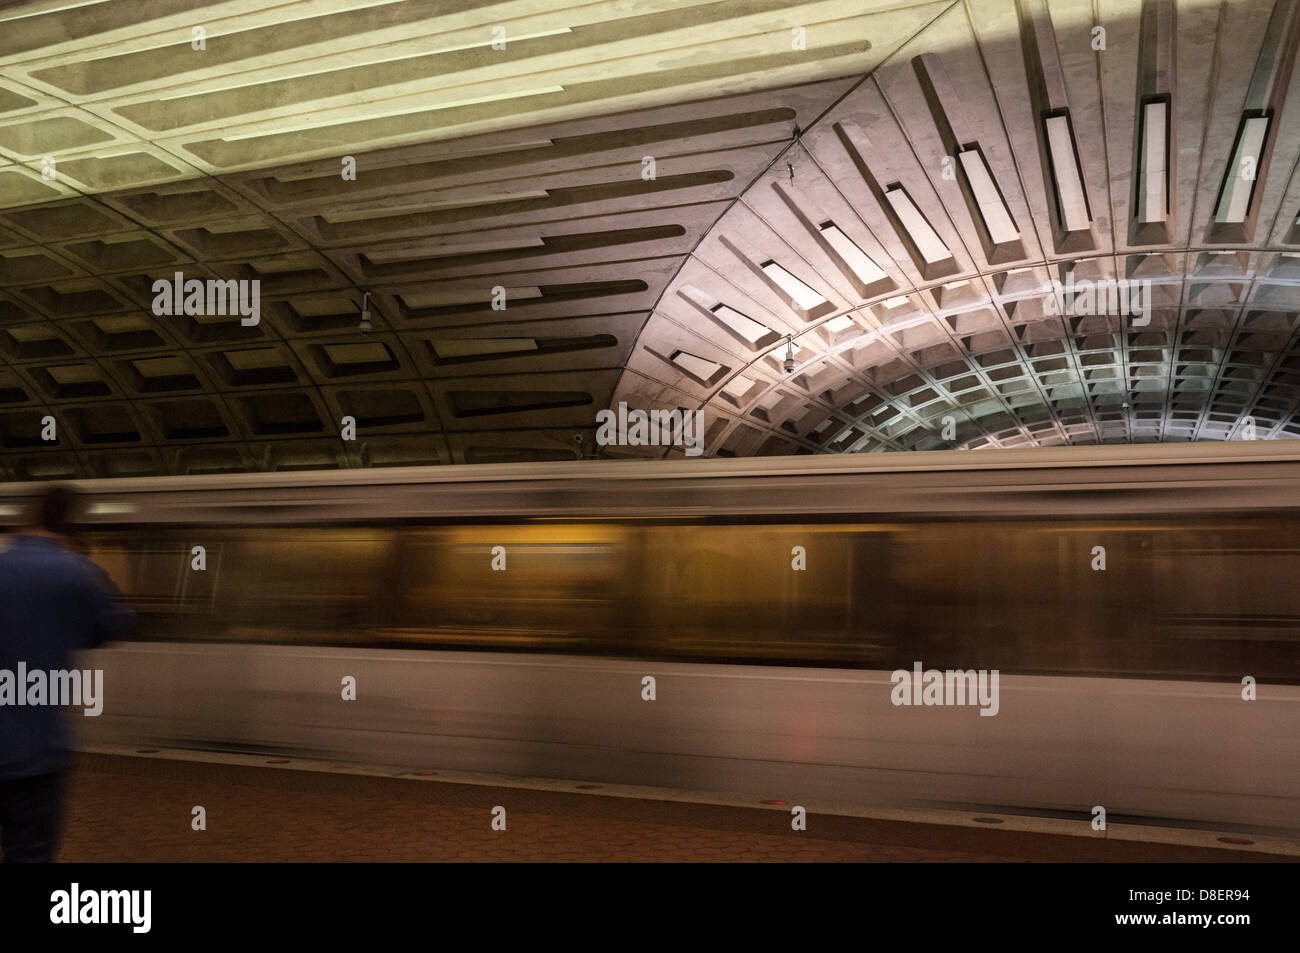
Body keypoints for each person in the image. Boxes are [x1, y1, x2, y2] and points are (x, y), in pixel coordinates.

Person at [0, 485, 133, 862]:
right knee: (29, 852)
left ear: (28, 519)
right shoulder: (77, 573)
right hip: (36, 751)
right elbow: (113, 627)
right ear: (71, 526)